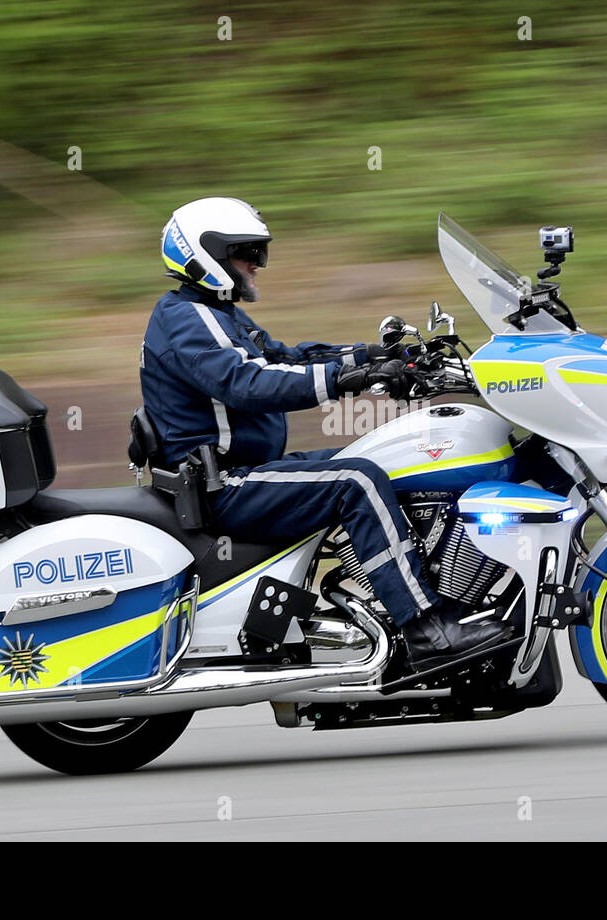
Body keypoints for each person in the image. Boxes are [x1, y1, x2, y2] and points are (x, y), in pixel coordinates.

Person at [140, 197, 510, 669]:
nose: (256, 264)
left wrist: (372, 356)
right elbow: (246, 382)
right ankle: (425, 629)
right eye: (245, 252)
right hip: (224, 485)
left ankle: (421, 597)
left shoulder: (214, 312)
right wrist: (343, 381)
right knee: (357, 482)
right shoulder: (185, 319)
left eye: (259, 252)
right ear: (203, 255)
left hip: (245, 471)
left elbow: (284, 358)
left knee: (392, 461)